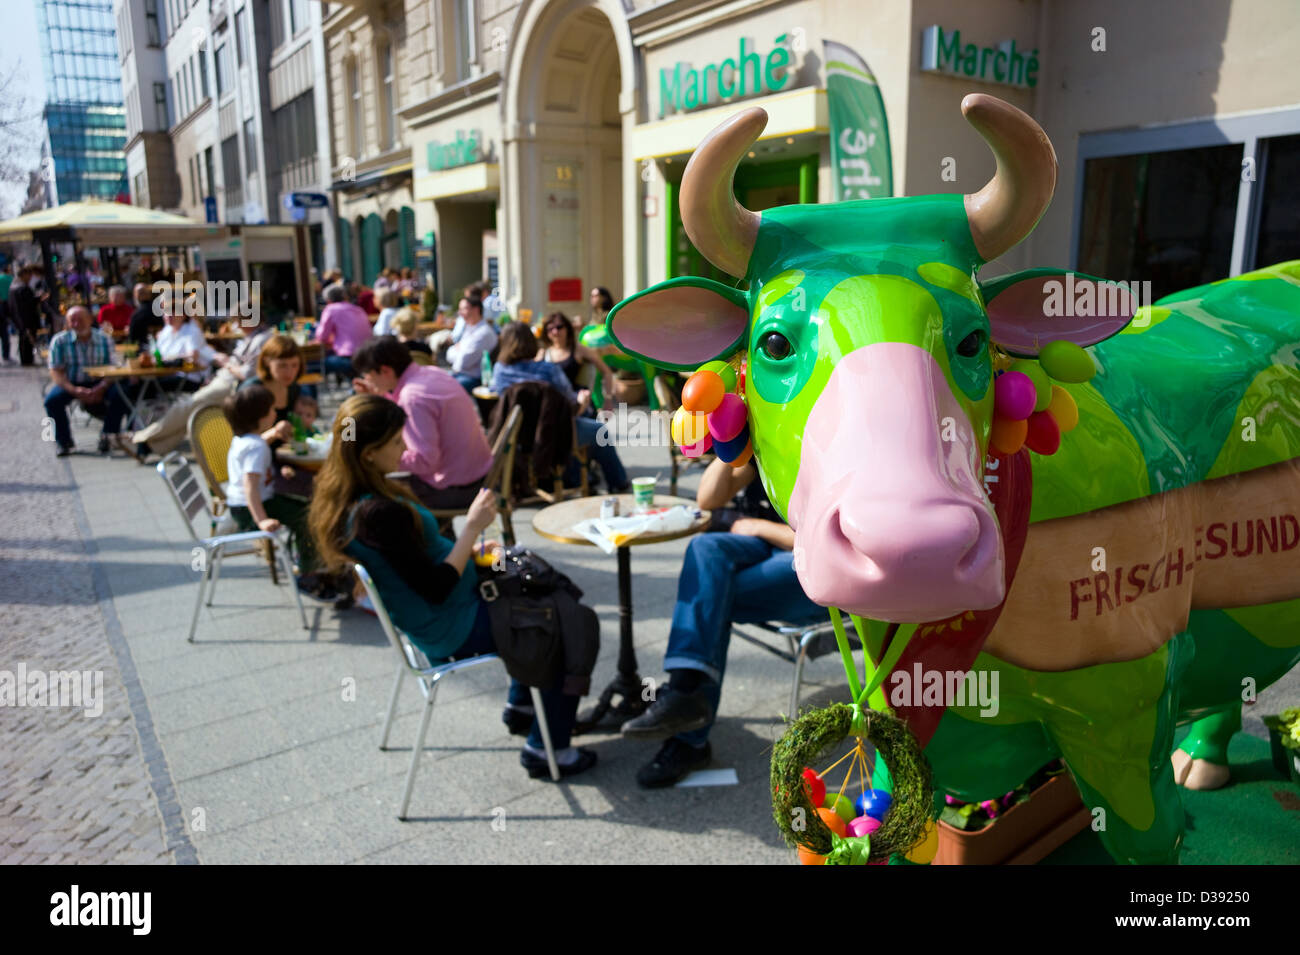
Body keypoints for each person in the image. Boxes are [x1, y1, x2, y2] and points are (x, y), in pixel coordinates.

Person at [308, 394, 596, 778]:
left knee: (549, 595)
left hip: (442, 612)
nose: (406, 447)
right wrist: (472, 528)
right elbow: (437, 587)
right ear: (369, 454)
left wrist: (472, 551)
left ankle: (524, 708)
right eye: (396, 441)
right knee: (563, 621)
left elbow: (420, 564)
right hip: (449, 626)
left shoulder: (357, 499)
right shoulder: (378, 513)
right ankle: (548, 750)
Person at [620, 457, 825, 787]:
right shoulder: (764, 438)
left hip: (806, 558)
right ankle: (684, 691)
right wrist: (727, 444)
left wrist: (760, 527)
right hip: (760, 546)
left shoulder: (816, 439)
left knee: (713, 596)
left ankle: (688, 727)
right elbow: (707, 500)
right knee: (705, 547)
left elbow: (825, 537)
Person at [350, 336, 492, 511]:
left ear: (385, 370)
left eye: (368, 375)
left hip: (456, 488)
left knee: (369, 493)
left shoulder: (412, 398)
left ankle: (433, 536)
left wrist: (380, 457)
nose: (367, 380)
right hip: (477, 475)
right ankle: (441, 535)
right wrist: (380, 395)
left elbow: (425, 462)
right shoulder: (431, 373)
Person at [490, 322, 629, 493]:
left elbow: (496, 395)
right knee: (600, 431)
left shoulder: (499, 370)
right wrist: (582, 400)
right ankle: (618, 482)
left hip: (516, 436)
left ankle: (578, 476)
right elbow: (570, 402)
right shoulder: (548, 369)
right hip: (554, 433)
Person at [220, 385, 325, 596]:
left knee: (304, 508)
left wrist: (273, 433)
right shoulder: (256, 448)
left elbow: (258, 442)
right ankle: (308, 575)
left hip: (241, 505)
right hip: (252, 509)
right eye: (270, 410)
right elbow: (250, 487)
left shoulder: (244, 440)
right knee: (308, 518)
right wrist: (262, 521)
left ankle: (304, 554)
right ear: (259, 417)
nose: (275, 413)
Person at [130, 315, 276, 460]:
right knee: (192, 412)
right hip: (221, 379)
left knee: (188, 407)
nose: (236, 326)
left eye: (237, 321)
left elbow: (247, 373)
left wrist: (228, 365)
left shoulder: (261, 339)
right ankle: (150, 445)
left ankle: (143, 437)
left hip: (229, 384)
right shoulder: (253, 336)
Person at [43, 305, 132, 457]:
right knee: (51, 401)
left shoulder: (104, 339)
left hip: (100, 382)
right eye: (73, 321)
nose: (77, 324)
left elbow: (113, 368)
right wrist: (73, 390)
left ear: (90, 320)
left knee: (122, 394)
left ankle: (108, 435)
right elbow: (56, 372)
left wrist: (102, 387)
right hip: (72, 382)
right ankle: (63, 442)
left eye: (80, 320)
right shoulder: (59, 341)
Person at [540, 311, 619, 400]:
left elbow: (606, 372)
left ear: (567, 328)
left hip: (575, 400)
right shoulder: (544, 353)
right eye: (550, 329)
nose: (555, 331)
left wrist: (608, 399)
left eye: (559, 327)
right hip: (551, 401)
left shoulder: (579, 349)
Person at [155, 298, 221, 393]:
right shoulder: (166, 332)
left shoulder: (192, 331)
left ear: (183, 315)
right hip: (167, 374)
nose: (168, 316)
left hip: (189, 377)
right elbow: (156, 354)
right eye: (166, 312)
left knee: (151, 385)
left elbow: (193, 356)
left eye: (172, 312)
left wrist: (170, 359)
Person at [315, 283, 372, 381]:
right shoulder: (358, 309)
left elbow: (321, 336)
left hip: (349, 358)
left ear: (328, 301)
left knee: (313, 365)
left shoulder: (330, 309)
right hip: (367, 354)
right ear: (345, 297)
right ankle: (352, 388)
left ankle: (309, 396)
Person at [444, 294, 497, 392]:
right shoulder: (470, 328)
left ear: (476, 310)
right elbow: (449, 354)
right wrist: (459, 351)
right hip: (461, 374)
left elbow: (464, 362)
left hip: (473, 379)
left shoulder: (484, 332)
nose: (460, 313)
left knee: (445, 390)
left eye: (463, 309)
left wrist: (459, 350)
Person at [8, 266, 43, 366]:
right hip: (26, 318)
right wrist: (38, 299)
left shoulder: (14, 287)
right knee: (27, 340)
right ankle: (27, 360)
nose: (31, 277)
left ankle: (26, 360)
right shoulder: (22, 288)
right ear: (24, 275)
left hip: (19, 318)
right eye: (29, 275)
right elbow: (28, 303)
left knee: (24, 340)